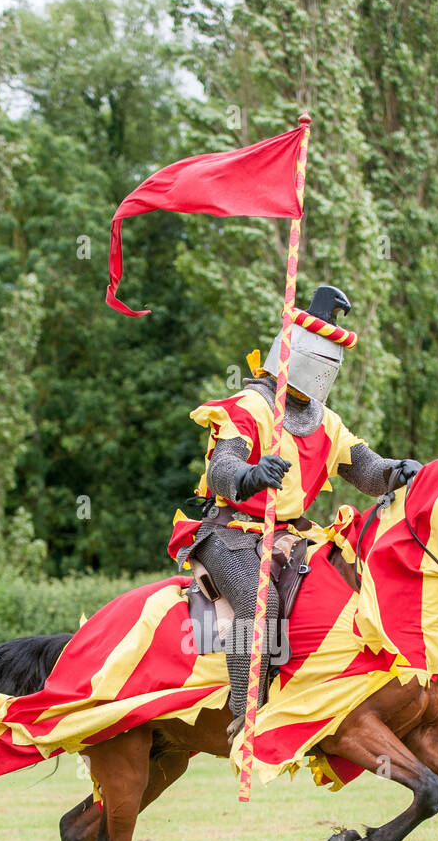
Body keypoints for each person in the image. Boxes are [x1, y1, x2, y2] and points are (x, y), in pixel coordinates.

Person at [170, 285, 421, 739]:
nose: (328, 368)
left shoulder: (326, 421)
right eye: (321, 355)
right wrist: (250, 477)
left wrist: (398, 472)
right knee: (256, 601)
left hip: (291, 537)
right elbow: (223, 467)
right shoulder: (252, 406)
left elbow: (366, 471)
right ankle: (247, 713)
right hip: (232, 534)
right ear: (293, 353)